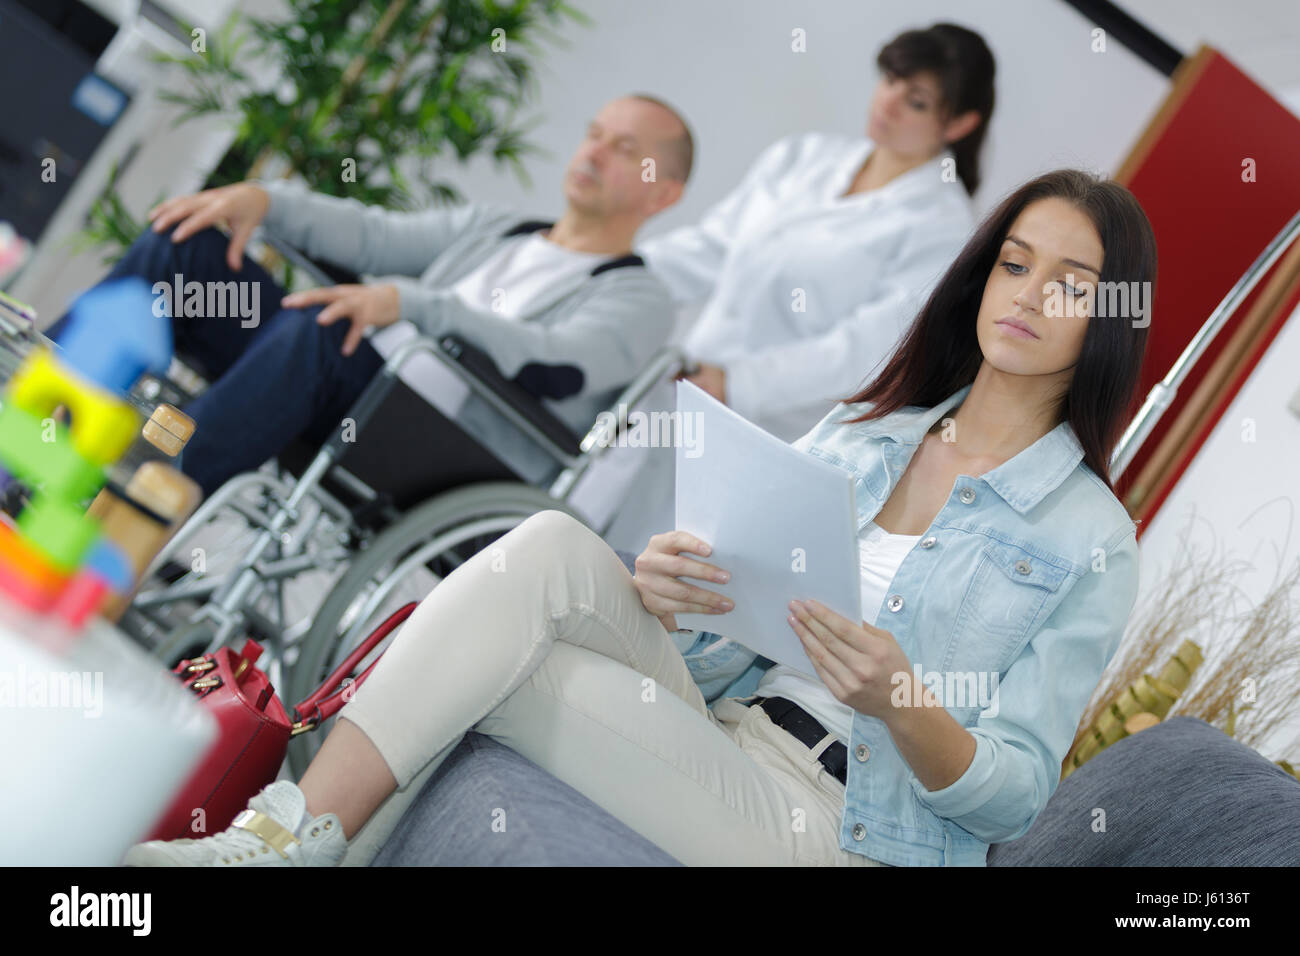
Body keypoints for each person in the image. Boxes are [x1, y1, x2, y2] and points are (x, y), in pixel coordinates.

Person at [123, 168, 1154, 867]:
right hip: (717, 722)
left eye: (1071, 283)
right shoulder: (862, 431)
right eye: (1014, 263)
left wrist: (901, 699)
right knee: (556, 548)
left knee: (505, 660)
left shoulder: (1087, 538)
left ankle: (286, 841)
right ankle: (280, 840)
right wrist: (671, 588)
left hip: (836, 824)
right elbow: (729, 623)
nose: (1027, 294)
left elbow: (1016, 795)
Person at [44, 94, 693, 496]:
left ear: (664, 194)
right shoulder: (500, 229)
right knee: (186, 247)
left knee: (325, 329)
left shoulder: (642, 299)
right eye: (596, 132)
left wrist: (413, 304)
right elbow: (373, 235)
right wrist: (263, 200)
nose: (596, 151)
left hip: (430, 452)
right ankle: (36, 443)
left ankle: (135, 503)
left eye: (625, 148)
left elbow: (555, 364)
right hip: (339, 371)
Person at [602, 22, 995, 554]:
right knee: (584, 530)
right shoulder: (804, 157)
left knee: (651, 573)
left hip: (764, 429)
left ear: (961, 123)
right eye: (891, 81)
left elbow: (863, 352)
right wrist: (611, 270)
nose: (891, 104)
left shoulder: (942, 229)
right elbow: (711, 247)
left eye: (919, 102)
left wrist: (739, 382)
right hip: (679, 384)